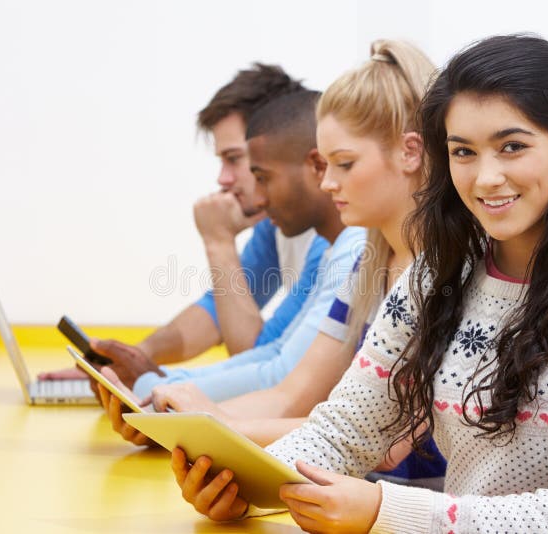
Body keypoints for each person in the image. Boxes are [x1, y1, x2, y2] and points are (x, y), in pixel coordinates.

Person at [170, 34, 548, 532]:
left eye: (512, 146)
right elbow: (345, 433)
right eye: (463, 151)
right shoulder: (437, 275)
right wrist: (242, 484)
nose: (485, 176)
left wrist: (385, 511)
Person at [146, 39, 446, 485]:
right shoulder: (367, 264)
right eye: (325, 165)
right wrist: (192, 423)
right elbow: (294, 394)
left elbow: (369, 436)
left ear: (411, 152)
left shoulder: (445, 274)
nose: (326, 183)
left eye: (343, 163)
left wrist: (215, 425)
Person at [97, 89, 365, 444]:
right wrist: (154, 380)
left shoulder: (352, 248)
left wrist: (160, 393)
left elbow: (274, 371)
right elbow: (258, 341)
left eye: (238, 161)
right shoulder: (311, 240)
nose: (252, 191)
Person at [39, 64, 329, 382]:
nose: (223, 179)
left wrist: (218, 243)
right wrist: (125, 361)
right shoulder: (275, 227)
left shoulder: (333, 239)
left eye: (234, 159)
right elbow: (218, 312)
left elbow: (259, 355)